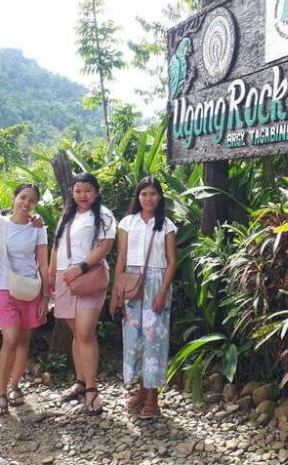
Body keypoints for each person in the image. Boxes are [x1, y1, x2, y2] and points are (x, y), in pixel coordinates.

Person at [110, 176, 178, 419]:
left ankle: (153, 397)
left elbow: (172, 262)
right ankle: (140, 390)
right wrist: (116, 292)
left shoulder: (166, 225)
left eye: (153, 194)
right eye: (144, 194)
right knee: (134, 338)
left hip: (156, 283)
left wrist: (161, 293)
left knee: (155, 339)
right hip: (131, 282)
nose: (148, 198)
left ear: (160, 197)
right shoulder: (127, 223)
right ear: (137, 197)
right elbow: (121, 259)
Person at [49, 172, 116, 415]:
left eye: (87, 190)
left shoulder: (104, 215)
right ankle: (79, 381)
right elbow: (57, 246)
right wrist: (50, 275)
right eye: (77, 191)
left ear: (96, 192)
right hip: (64, 278)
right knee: (76, 332)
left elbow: (104, 247)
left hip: (89, 276)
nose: (82, 195)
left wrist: (81, 267)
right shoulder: (67, 215)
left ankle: (91, 389)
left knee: (86, 332)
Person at [0, 183, 49, 417]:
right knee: (10, 339)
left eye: (32, 200)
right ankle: (0, 391)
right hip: (4, 288)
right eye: (22, 197)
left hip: (30, 289)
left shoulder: (38, 228)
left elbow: (43, 263)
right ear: (13, 197)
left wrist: (46, 295)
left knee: (23, 341)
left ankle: (14, 387)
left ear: (36, 204)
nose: (26, 203)